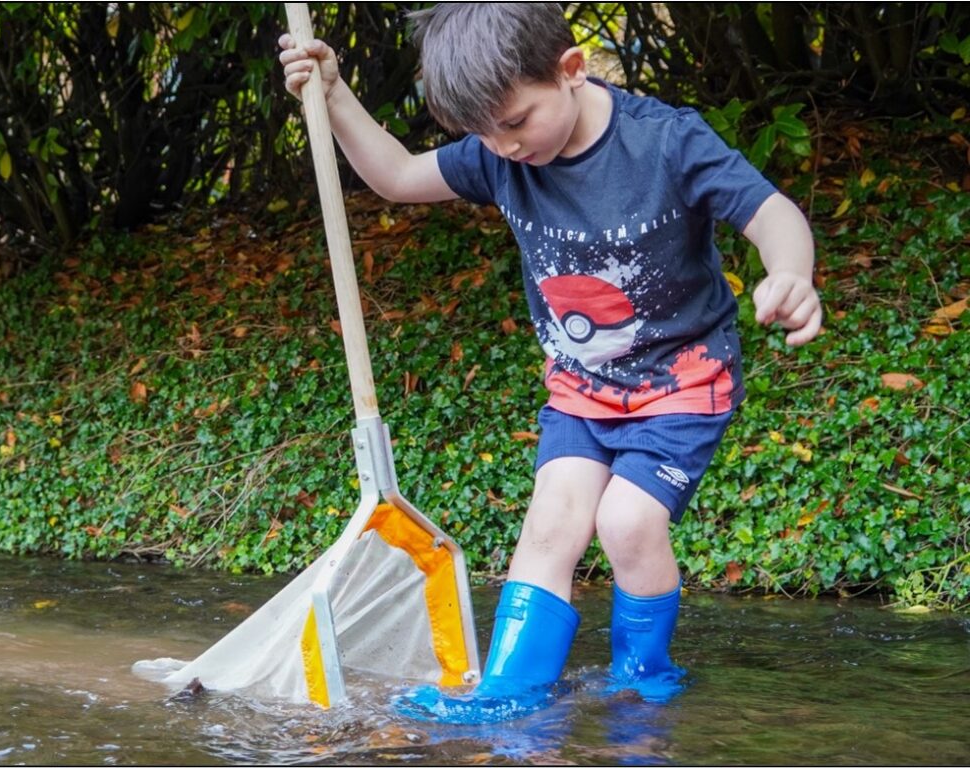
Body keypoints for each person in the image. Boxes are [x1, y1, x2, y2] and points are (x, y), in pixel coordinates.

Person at [279, 3, 822, 724]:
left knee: (628, 523)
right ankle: (509, 689)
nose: (501, 147)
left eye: (513, 122)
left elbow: (771, 212)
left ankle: (645, 677)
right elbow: (399, 176)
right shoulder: (501, 154)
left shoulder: (666, 142)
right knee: (549, 526)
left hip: (681, 384)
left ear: (571, 71)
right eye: (482, 133)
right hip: (580, 392)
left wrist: (790, 272)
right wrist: (334, 91)